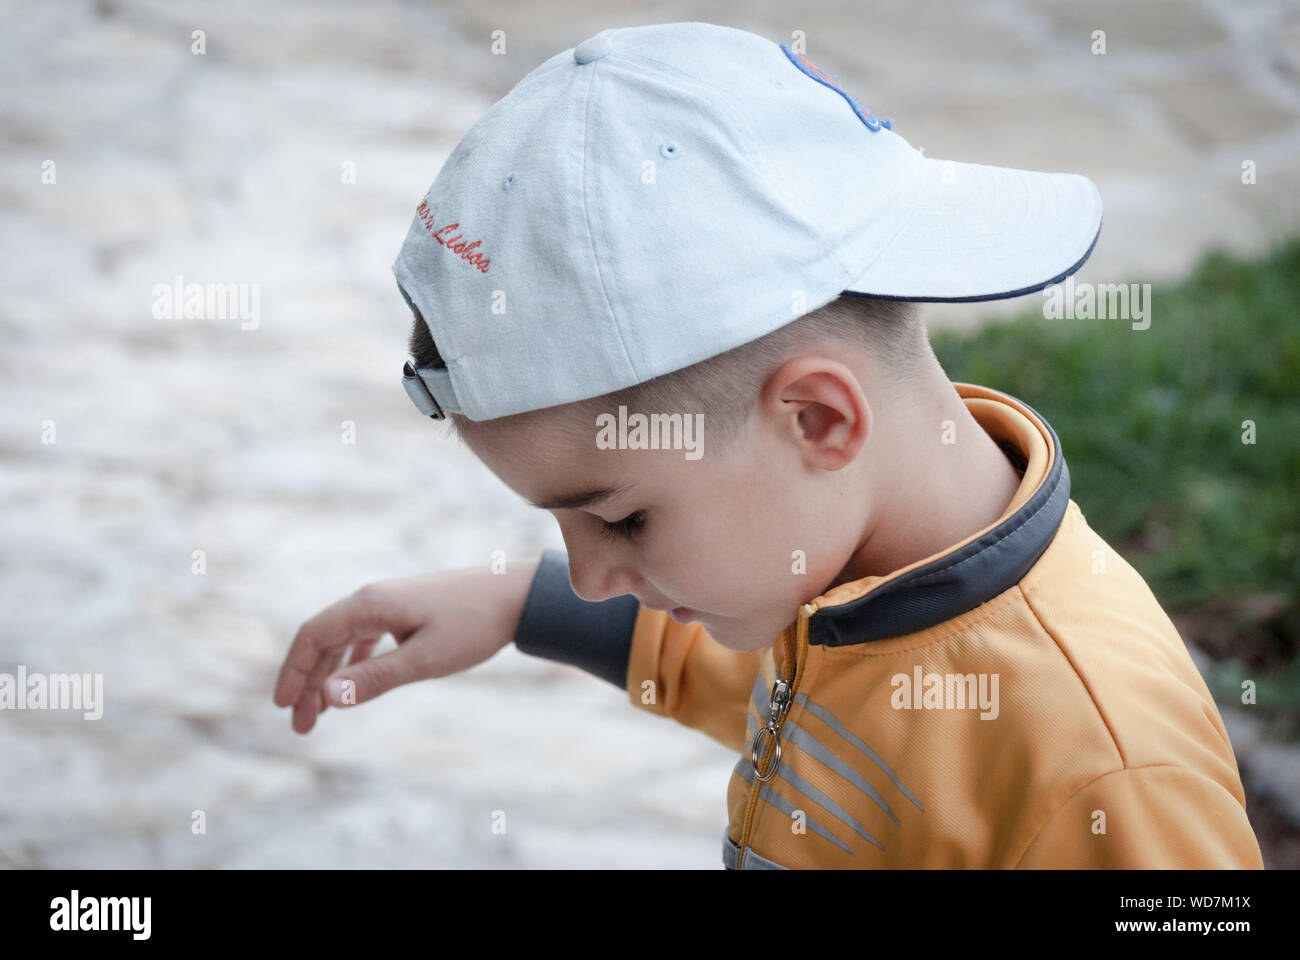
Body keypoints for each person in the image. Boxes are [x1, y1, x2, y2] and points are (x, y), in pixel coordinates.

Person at [273, 21, 1263, 869]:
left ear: (817, 421)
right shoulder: (847, 568)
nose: (591, 576)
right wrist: (512, 603)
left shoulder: (1104, 762)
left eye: (622, 516)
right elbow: (798, 679)